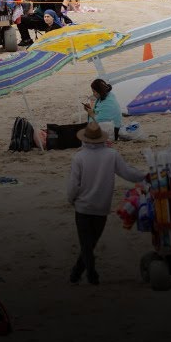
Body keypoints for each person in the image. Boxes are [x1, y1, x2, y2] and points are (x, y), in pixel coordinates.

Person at [66, 120, 145, 285]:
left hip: (82, 207)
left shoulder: (79, 157)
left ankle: (89, 274)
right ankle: (79, 273)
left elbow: (74, 184)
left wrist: (70, 199)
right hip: (102, 206)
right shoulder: (111, 155)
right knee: (91, 243)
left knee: (86, 244)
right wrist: (145, 176)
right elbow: (127, 173)